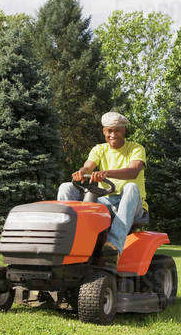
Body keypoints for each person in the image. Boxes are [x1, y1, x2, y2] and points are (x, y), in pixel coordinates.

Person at [56, 112, 147, 269]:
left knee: (131, 187)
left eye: (117, 130)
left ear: (124, 130)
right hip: (105, 201)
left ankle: (112, 248)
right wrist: (81, 172)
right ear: (104, 132)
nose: (113, 134)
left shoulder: (136, 149)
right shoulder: (99, 149)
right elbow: (88, 166)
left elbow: (133, 171)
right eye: (109, 131)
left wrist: (106, 173)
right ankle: (65, 242)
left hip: (132, 204)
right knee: (66, 187)